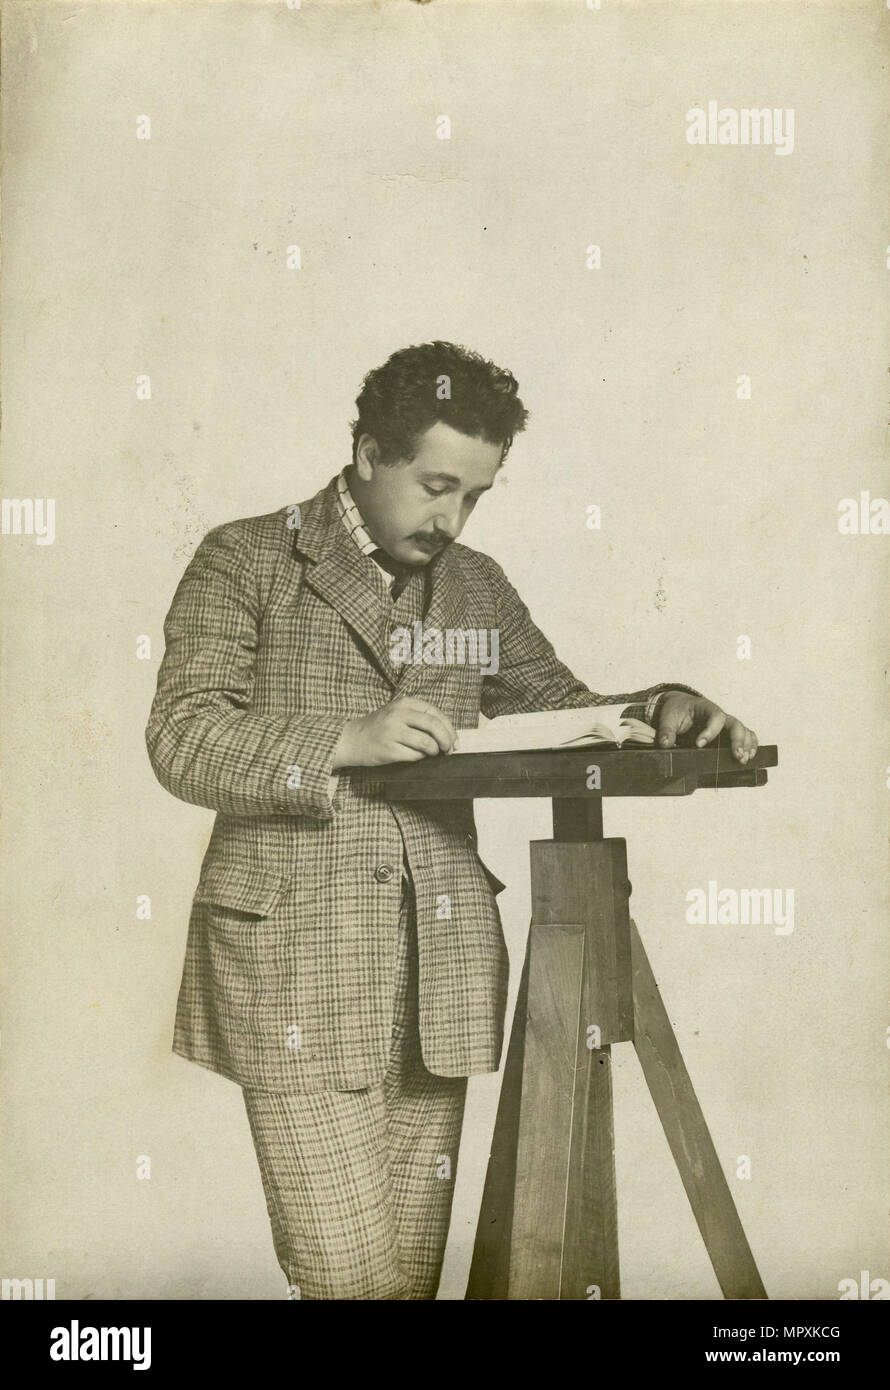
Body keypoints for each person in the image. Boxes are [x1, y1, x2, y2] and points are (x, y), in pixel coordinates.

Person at [145, 340, 758, 1299]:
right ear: (365, 452)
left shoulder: (475, 585)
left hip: (443, 974)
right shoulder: (246, 557)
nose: (451, 518)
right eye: (436, 486)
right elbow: (183, 737)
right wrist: (345, 737)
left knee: (409, 1287)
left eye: (474, 495)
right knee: (348, 1282)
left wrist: (665, 705)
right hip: (298, 971)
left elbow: (565, 708)